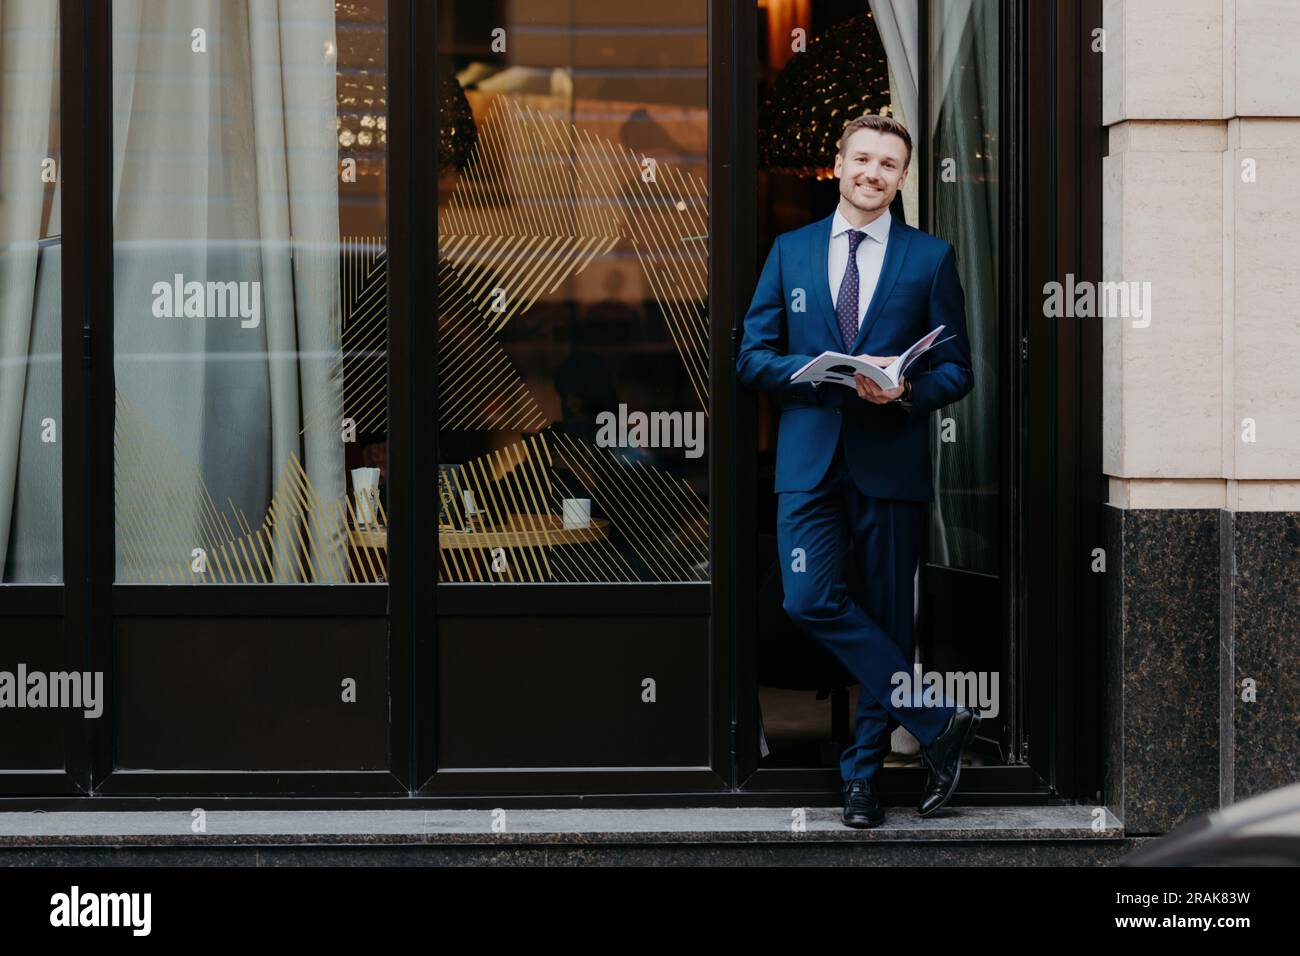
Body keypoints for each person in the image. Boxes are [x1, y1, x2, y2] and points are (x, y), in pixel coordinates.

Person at [735, 113, 980, 828]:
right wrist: (815, 372)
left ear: (902, 179)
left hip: (889, 461)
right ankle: (934, 718)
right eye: (862, 159)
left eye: (888, 165)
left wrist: (904, 390)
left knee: (887, 619)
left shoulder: (929, 258)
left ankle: (863, 779)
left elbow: (958, 369)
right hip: (808, 460)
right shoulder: (790, 251)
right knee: (806, 598)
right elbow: (751, 357)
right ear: (838, 164)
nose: (873, 173)